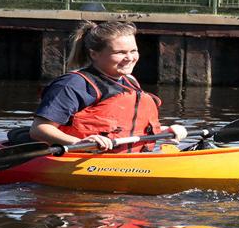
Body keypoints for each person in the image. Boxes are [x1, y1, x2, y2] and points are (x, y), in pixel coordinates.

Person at [30, 20, 187, 154]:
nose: (130, 58)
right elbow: (39, 129)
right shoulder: (73, 84)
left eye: (133, 51)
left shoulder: (130, 82)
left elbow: (125, 128)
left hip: (128, 160)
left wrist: (165, 132)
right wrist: (78, 143)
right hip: (82, 158)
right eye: (120, 52)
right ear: (94, 54)